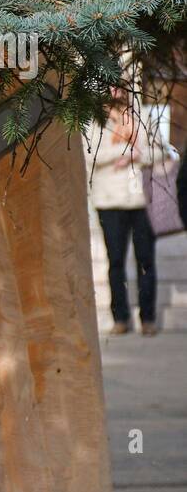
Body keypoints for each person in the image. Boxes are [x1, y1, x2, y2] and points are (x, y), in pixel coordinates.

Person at [89, 96, 159, 336]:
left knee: (146, 261)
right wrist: (124, 149)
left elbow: (158, 150)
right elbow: (90, 154)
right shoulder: (95, 118)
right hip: (109, 201)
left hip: (141, 200)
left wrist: (138, 155)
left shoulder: (142, 116)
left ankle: (148, 318)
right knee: (116, 262)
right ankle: (120, 318)